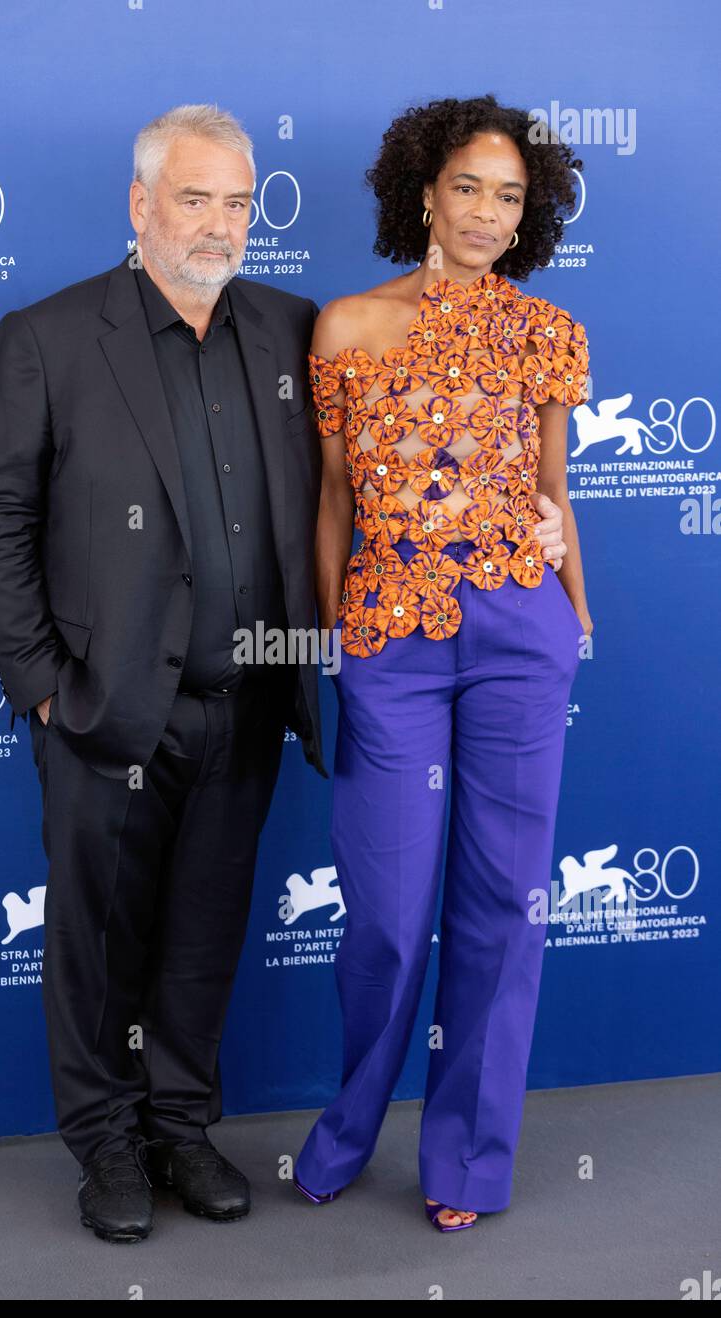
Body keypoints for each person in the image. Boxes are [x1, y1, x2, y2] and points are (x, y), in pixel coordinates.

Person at [0, 104, 329, 1243]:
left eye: (238, 202)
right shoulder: (52, 336)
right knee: (100, 941)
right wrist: (45, 683)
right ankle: (107, 1142)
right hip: (107, 709)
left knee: (205, 930)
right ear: (140, 205)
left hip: (249, 701)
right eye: (195, 197)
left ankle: (179, 1123)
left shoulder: (291, 330)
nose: (219, 224)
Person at [293, 94, 590, 1232]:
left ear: (529, 215)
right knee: (383, 905)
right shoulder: (347, 327)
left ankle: (466, 1159)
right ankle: (350, 1126)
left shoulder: (548, 330)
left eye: (508, 195)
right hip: (391, 640)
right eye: (466, 185)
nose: (484, 210)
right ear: (423, 189)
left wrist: (576, 609)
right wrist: (337, 640)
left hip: (521, 631)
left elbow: (556, 494)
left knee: (505, 905)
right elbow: (332, 500)